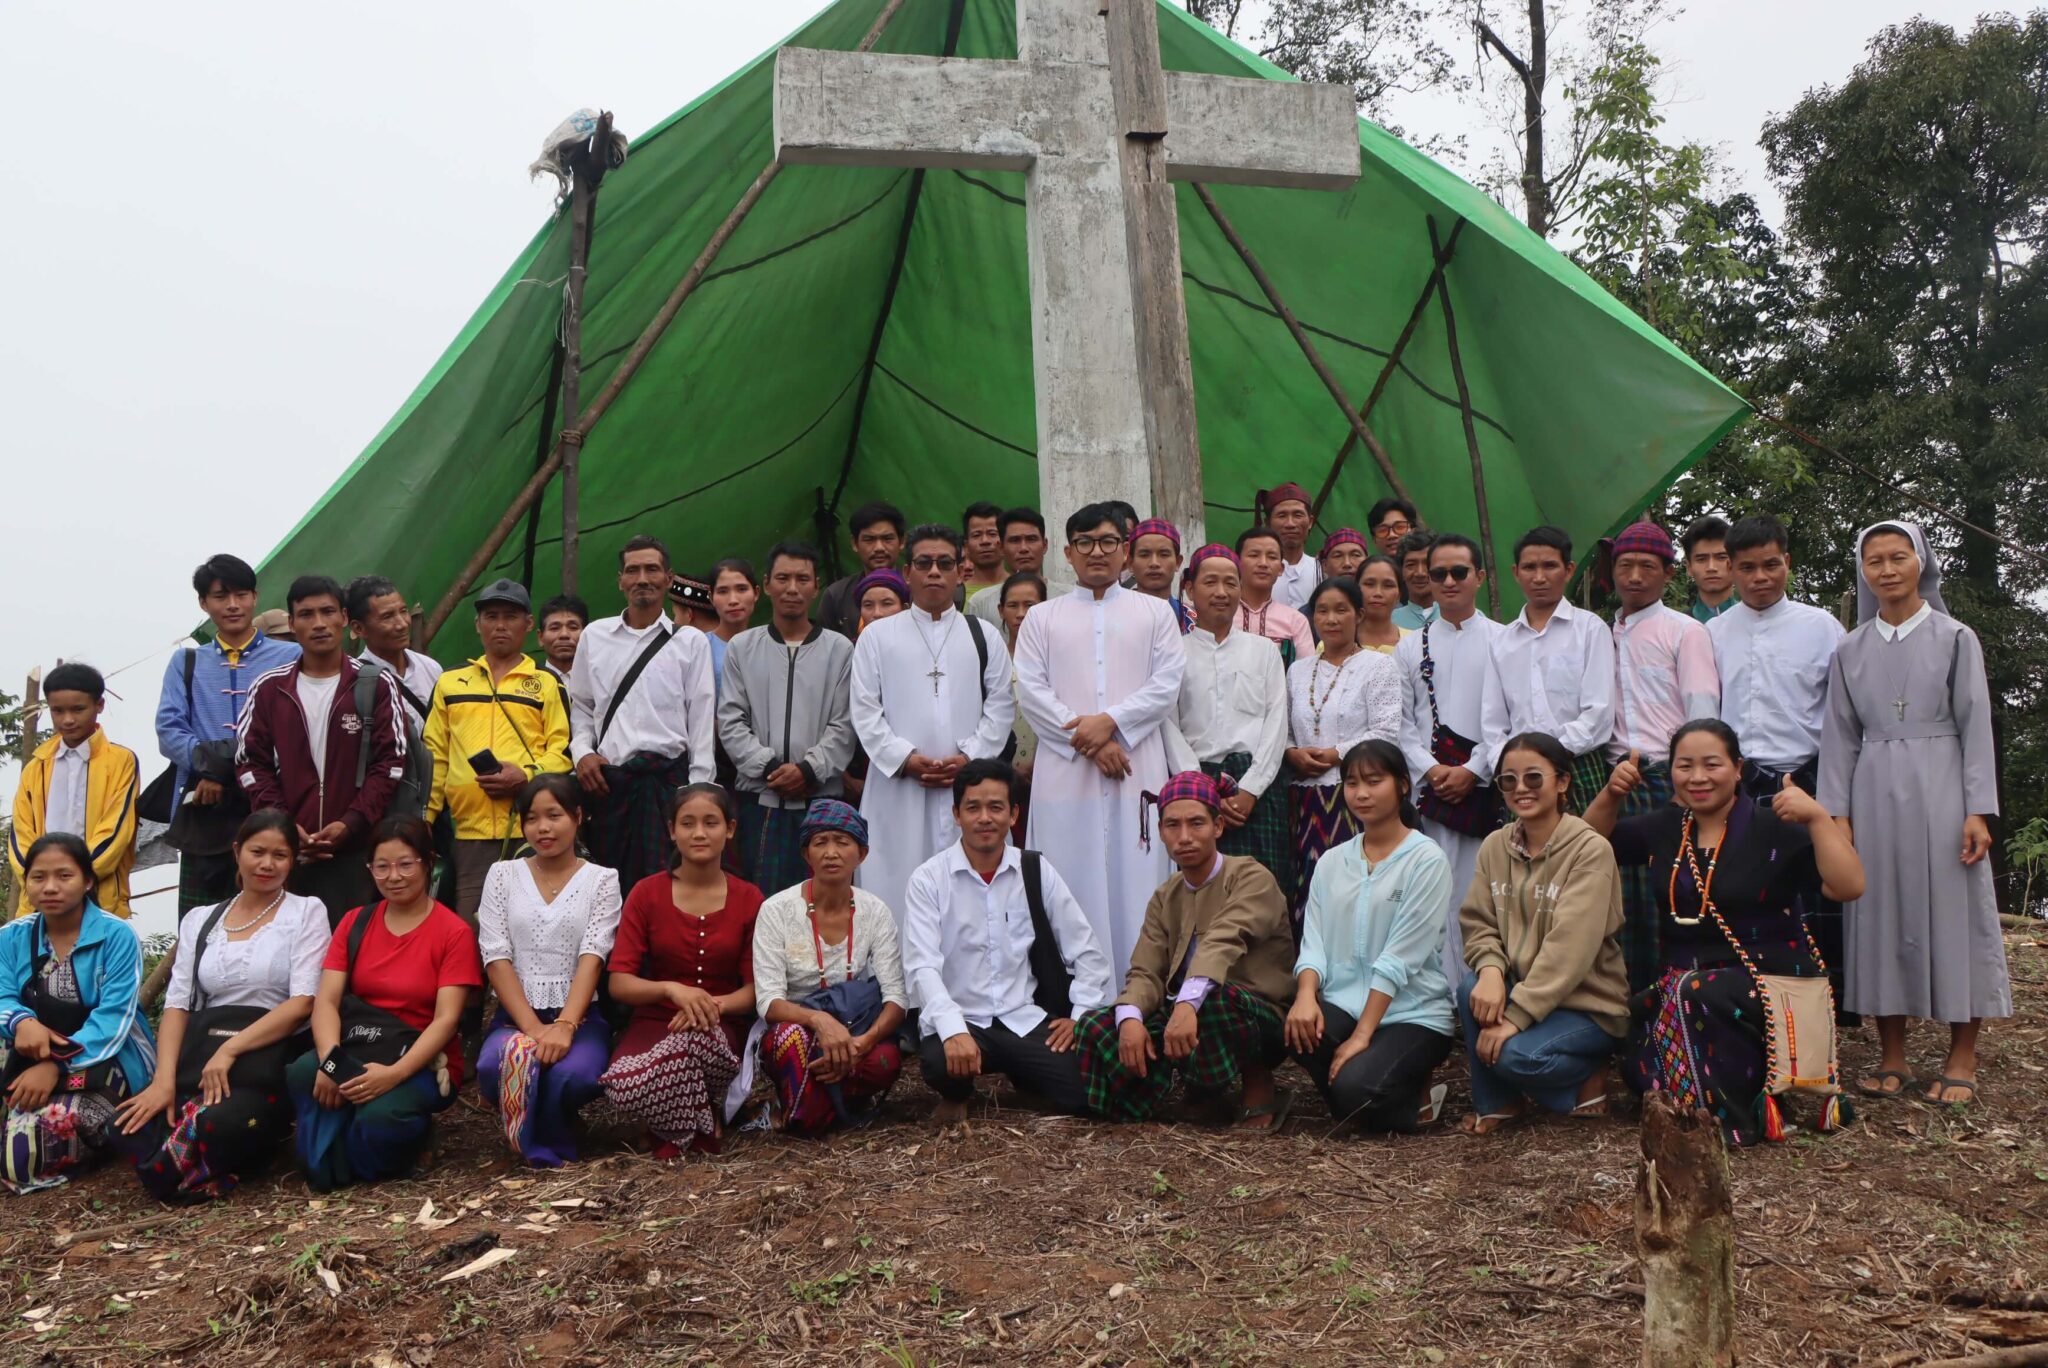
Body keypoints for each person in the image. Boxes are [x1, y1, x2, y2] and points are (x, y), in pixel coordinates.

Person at [1588, 720, 1864, 1144]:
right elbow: (1588, 842)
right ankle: (1699, 1103)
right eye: (1685, 766)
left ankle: (1730, 1120)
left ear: (1737, 769)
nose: (1698, 777)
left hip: (1768, 982)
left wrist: (1817, 817)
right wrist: (1612, 794)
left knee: (1696, 994)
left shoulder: (1773, 825)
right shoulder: (1665, 827)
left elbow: (1848, 886)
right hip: (1683, 983)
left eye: (1712, 764)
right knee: (1649, 1012)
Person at [1821, 522, 2007, 1106]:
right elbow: (1839, 735)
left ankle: (1962, 1052)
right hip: (1873, 785)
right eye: (1874, 560)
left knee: (1956, 910)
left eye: (1898, 557)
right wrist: (1837, 815)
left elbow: (1977, 724)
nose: (1887, 569)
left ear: (1920, 561)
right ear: (1863, 569)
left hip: (1943, 780)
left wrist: (1979, 809)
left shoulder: (1956, 638)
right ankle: (1892, 1054)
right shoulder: (1849, 648)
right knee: (1877, 913)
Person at [116, 810, 326, 1201]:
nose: (267, 864)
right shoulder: (201, 919)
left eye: (280, 855)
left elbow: (303, 1003)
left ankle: (217, 1160)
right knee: (129, 1124)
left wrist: (231, 1049)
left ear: (293, 860)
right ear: (236, 851)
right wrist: (162, 1081)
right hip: (202, 1057)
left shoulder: (306, 911)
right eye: (257, 851)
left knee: (220, 1124)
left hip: (264, 1058)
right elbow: (178, 1005)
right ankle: (196, 1167)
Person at [1016, 505, 1187, 977]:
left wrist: (1111, 721)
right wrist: (1091, 741)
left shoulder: (1154, 614)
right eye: (1085, 542)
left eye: (1109, 542)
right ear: (1067, 553)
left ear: (1125, 552)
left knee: (1138, 873)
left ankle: (1142, 991)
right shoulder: (1041, 618)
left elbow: (1166, 683)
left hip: (1137, 763)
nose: (1097, 552)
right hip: (1066, 768)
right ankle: (1077, 995)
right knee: (1069, 874)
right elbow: (1032, 690)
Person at [1074, 772, 1294, 1128]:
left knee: (1217, 1000)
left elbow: (1223, 939)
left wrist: (1188, 1003)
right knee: (1095, 1027)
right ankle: (1179, 1094)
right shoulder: (1166, 895)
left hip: (1254, 1014)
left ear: (1218, 826)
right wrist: (1129, 1018)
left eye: (1196, 823)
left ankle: (1257, 1082)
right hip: (1185, 1015)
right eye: (1173, 825)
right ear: (1160, 831)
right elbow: (1145, 970)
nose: (1185, 837)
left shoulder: (1251, 877)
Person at [901, 760, 1113, 1122]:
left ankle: (1026, 1075)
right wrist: (952, 1030)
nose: (985, 818)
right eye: (973, 807)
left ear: (1014, 813)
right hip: (963, 1017)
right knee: (940, 1063)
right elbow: (921, 967)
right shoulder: (928, 879)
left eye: (996, 807)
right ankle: (958, 1093)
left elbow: (1087, 951)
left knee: (1085, 1093)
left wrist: (1079, 1016)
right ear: (957, 814)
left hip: (1022, 1017)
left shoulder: (1034, 869)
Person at [284, 817, 481, 1190]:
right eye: (382, 866)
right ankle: (337, 1157)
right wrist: (331, 1061)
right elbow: (326, 1000)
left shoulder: (452, 932)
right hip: (358, 1046)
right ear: (369, 869)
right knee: (302, 1072)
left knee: (381, 1118)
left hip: (420, 1059)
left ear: (428, 862)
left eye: (406, 864)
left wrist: (395, 1074)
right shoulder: (355, 922)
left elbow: (446, 1020)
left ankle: (401, 1145)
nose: (394, 876)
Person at [1458, 733, 1631, 1134]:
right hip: (1526, 990)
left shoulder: (1589, 849)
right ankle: (1499, 1103)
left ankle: (1588, 1077)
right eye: (1508, 780)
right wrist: (1489, 970)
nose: (1521, 789)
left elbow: (1570, 948)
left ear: (1562, 782)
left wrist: (1514, 1018)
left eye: (1534, 778)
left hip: (1586, 1005)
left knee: (1515, 1057)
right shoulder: (1494, 847)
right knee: (1470, 988)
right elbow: (1478, 921)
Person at [850, 525, 1015, 929]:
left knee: (971, 888)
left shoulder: (984, 635)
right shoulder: (878, 636)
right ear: (907, 573)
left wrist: (970, 759)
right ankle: (898, 986)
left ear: (961, 571)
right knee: (894, 885)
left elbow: (1001, 706)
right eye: (924, 563)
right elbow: (865, 709)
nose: (934, 573)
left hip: (966, 788)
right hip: (899, 786)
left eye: (945, 563)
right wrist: (904, 759)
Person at [1705, 514, 1847, 983]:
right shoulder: (1712, 634)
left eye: (1771, 564)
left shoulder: (1823, 627)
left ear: (1787, 561)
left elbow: (1844, 713)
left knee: (1811, 901)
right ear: (1731, 568)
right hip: (1736, 784)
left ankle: (1818, 1013)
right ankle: (1745, 1004)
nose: (1760, 577)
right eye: (1747, 567)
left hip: (1807, 780)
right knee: (1740, 894)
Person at [1286, 741, 1455, 1133]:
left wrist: (1362, 1036)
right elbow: (1313, 942)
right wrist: (1306, 996)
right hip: (1346, 1003)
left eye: (1374, 781)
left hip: (1412, 1013)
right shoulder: (1332, 861)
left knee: (1354, 1090)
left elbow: (1400, 956)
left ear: (1402, 786)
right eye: (1351, 783)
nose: (1361, 793)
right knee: (1296, 1031)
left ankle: (1405, 1096)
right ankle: (1366, 1090)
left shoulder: (1425, 859)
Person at [236, 575, 408, 927]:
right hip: (288, 855)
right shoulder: (269, 689)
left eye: (327, 612)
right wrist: (284, 825)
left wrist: (351, 822)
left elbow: (390, 764)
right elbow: (250, 764)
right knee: (290, 961)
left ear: (344, 618)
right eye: (306, 614)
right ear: (292, 623)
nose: (318, 624)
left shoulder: (375, 683)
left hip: (360, 850)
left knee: (353, 958)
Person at [602, 784, 763, 1157]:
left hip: (719, 1026)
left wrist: (710, 1007)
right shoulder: (646, 893)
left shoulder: (749, 897)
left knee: (692, 1045)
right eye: (688, 823)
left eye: (711, 822)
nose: (700, 833)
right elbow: (619, 983)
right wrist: (672, 991)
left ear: (731, 829)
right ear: (672, 830)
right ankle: (699, 1114)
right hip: (654, 1022)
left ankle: (668, 1129)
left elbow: (757, 989)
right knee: (622, 1085)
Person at [474, 776, 622, 1166]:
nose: (543, 828)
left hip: (580, 1016)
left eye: (554, 815)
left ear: (578, 816)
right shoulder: (502, 875)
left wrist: (565, 1025)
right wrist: (535, 1029)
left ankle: (553, 1129)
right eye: (532, 818)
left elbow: (594, 954)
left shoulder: (602, 880)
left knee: (574, 1075)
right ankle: (540, 1130)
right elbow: (495, 956)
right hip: (516, 1018)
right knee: (494, 1066)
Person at [1600, 520, 1719, 992]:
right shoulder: (1602, 633)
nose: (1633, 577)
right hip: (1616, 778)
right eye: (1624, 566)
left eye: (1646, 567)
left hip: (1668, 781)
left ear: (1668, 574)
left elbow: (1703, 710)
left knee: (1670, 895)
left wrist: (1691, 785)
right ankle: (1624, 1007)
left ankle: (1675, 1003)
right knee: (1620, 900)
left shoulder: (1685, 632)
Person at [0, 833, 154, 1193]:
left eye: (64, 876)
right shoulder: (11, 938)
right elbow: (2, 995)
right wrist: (21, 1022)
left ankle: (105, 1137)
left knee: (21, 1155)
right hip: (28, 1058)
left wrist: (54, 1065)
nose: (50, 887)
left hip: (108, 1062)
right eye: (38, 877)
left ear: (87, 881)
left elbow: (112, 1022)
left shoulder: (117, 936)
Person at [570, 536, 717, 890]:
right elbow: (581, 706)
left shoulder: (690, 641)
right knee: (606, 889)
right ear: (620, 579)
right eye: (633, 570)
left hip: (668, 784)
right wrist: (582, 752)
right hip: (610, 785)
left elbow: (701, 719)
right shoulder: (595, 636)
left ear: (669, 579)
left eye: (652, 569)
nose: (642, 578)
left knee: (668, 888)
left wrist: (697, 790)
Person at [422, 578, 573, 923]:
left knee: (535, 926)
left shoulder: (547, 684)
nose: (501, 625)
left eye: (510, 616)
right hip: (468, 834)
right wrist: (426, 819)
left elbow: (563, 752)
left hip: (532, 829)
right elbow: (435, 756)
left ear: (529, 624)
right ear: (478, 625)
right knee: (472, 929)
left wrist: (525, 776)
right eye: (491, 616)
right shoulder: (450, 682)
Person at [752, 801, 909, 1133]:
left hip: (855, 1032)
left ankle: (814, 1098)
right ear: (806, 854)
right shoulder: (776, 910)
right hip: (799, 1029)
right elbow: (769, 1002)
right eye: (820, 842)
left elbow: (897, 997)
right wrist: (819, 1021)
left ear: (862, 854)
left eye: (842, 841)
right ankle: (815, 1109)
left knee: (885, 1060)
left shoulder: (875, 911)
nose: (831, 852)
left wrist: (862, 1043)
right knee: (790, 1042)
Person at [158, 553, 300, 912]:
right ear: (204, 603)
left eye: (241, 594)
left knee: (276, 917)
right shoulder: (187, 662)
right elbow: (169, 728)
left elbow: (297, 725)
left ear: (255, 596)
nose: (233, 605)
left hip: (275, 800)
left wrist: (225, 770)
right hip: (207, 810)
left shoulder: (292, 656)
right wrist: (210, 770)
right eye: (221, 597)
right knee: (199, 923)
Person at [1394, 533, 1502, 987]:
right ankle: (1435, 994)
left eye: (1459, 572)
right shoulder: (1408, 646)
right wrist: (1431, 770)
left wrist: (1473, 769)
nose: (1448, 581)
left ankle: (1478, 990)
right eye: (1438, 573)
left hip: (1483, 791)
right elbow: (1399, 721)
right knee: (1428, 893)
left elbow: (1508, 719)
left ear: (1479, 576)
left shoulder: (1503, 639)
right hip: (1430, 791)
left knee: (1479, 893)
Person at [721, 542, 858, 896]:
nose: (792, 588)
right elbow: (731, 720)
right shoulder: (742, 647)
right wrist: (768, 767)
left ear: (816, 586)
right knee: (761, 903)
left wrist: (809, 770)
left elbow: (844, 724)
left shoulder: (839, 649)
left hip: (820, 799)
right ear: (766, 585)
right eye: (783, 578)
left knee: (824, 900)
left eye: (802, 579)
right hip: (760, 800)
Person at [1162, 544, 1292, 902]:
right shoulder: (1172, 653)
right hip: (1194, 784)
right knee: (1200, 895)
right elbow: (1167, 723)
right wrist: (1199, 786)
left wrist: (1250, 789)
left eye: (1230, 583)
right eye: (1210, 582)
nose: (1221, 592)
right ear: (1189, 588)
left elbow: (1276, 722)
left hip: (1256, 788)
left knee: (1264, 894)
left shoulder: (1264, 650)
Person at [1286, 578, 1402, 922]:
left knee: (1357, 892)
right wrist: (1293, 753)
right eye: (1322, 611)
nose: (1331, 619)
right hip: (1304, 799)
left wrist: (1337, 754)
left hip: (1356, 797)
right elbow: (1286, 731)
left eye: (1341, 610)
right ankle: (1312, 972)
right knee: (1309, 892)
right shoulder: (1297, 670)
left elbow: (1386, 732)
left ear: (1360, 615)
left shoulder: (1378, 666)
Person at [1482, 527, 1615, 814]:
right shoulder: (1501, 641)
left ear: (1568, 570)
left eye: (1549, 566)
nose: (1539, 577)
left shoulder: (1590, 629)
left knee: (1583, 854)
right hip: (1518, 776)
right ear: (1516, 572)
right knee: (1523, 855)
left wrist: (1549, 756)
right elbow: (1493, 722)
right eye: (1530, 567)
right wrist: (1506, 765)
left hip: (1577, 765)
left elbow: (1599, 712)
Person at [10, 663, 139, 919]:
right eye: (58, 711)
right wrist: (42, 880)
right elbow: (20, 835)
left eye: (78, 709)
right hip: (40, 901)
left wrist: (74, 880)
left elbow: (115, 832)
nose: (67, 719)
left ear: (99, 705)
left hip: (99, 900)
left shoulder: (121, 761)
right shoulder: (36, 767)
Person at [344, 576, 442, 735]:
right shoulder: (356, 683)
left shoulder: (430, 668)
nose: (402, 624)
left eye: (403, 611)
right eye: (387, 617)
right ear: (359, 628)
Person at [820, 502, 908, 639]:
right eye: (869, 539)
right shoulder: (836, 595)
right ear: (855, 543)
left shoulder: (919, 592)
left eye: (887, 538)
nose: (879, 547)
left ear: (902, 541)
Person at [1233, 527, 1317, 668]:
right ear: (1237, 563)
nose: (1263, 563)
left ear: (1280, 569)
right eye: (1254, 555)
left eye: (1272, 557)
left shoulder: (1296, 621)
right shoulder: (1221, 615)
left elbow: (1305, 675)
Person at [997, 572, 1047, 798]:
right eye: (1012, 605)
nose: (1020, 614)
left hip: (1049, 771)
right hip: (999, 775)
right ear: (1000, 611)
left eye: (1029, 605)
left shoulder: (1058, 660)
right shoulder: (992, 660)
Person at [968, 507, 1050, 626]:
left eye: (1031, 539)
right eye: (1015, 540)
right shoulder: (980, 603)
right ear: (1001, 547)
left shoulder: (1066, 598)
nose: (1023, 548)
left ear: (1045, 545)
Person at [1255, 483, 1319, 611]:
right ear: (1268, 523)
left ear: (1310, 522)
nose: (1290, 524)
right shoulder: (1255, 571)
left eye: (1298, 515)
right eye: (1282, 515)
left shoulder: (1322, 570)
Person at [708, 559, 760, 697]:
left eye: (742, 589)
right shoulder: (700, 647)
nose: (733, 600)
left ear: (756, 593)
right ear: (711, 597)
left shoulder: (770, 645)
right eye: (723, 591)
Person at [1129, 518, 1193, 631]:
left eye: (1164, 554)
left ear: (1178, 562)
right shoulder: (1113, 614)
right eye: (1144, 555)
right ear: (1130, 563)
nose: (1154, 563)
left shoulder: (1193, 621)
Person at [1681, 516, 1737, 624]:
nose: (1711, 567)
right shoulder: (1677, 627)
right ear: (1689, 567)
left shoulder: (1757, 620)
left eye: (1721, 557)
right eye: (1701, 559)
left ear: (1735, 563)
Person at [1354, 555, 1408, 655]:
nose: (1378, 593)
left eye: (1388, 585)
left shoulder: (1414, 642)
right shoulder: (1337, 642)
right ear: (1356, 589)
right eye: (1369, 584)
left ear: (1399, 595)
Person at [536, 594, 589, 688]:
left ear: (587, 634)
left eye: (573, 627)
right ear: (540, 637)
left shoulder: (600, 681)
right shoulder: (526, 682)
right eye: (555, 628)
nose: (564, 634)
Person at [1392, 530, 1438, 632]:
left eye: (1427, 564)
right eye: (1411, 565)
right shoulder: (1389, 622)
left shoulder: (1461, 616)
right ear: (1401, 571)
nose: (1420, 573)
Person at [962, 501, 1008, 600]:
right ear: (966, 547)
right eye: (976, 535)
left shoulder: (1024, 588)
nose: (985, 541)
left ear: (1005, 541)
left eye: (992, 534)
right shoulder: (954, 597)